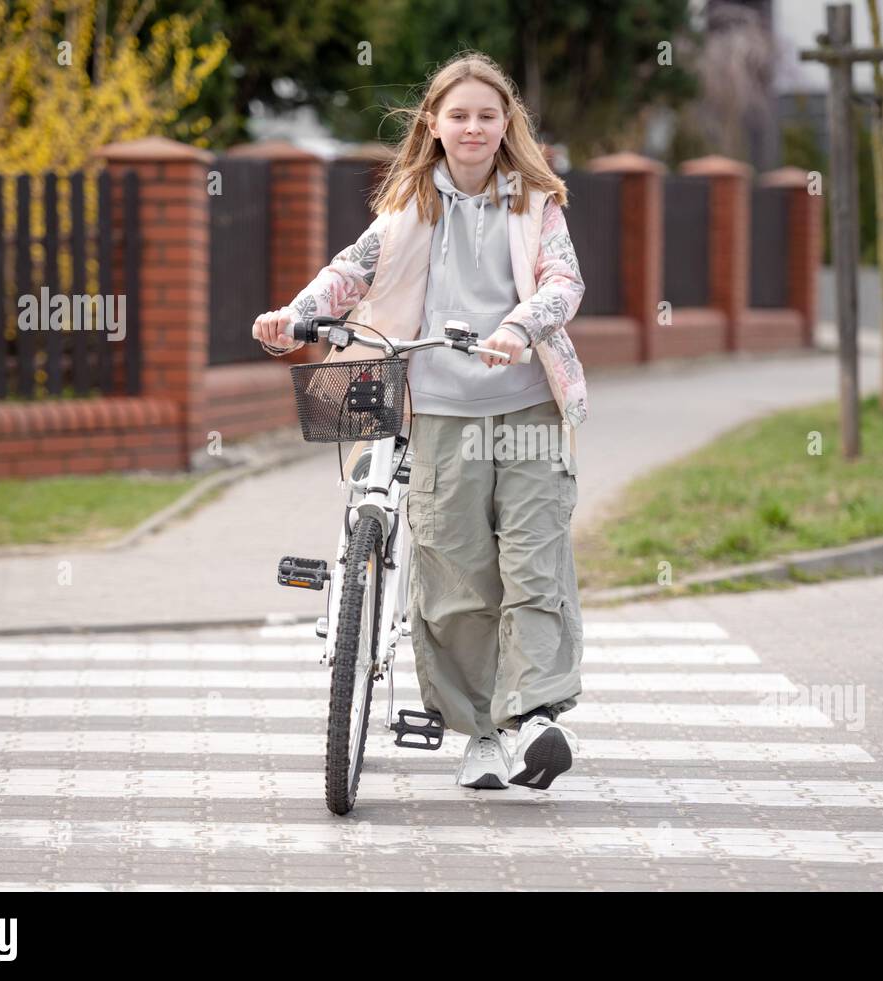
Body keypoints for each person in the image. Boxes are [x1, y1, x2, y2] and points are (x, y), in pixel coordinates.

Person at [253, 51, 588, 793]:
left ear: (508, 126)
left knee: (533, 565)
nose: (473, 127)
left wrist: (520, 325)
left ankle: (534, 718)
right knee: (456, 582)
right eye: (459, 115)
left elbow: (564, 281)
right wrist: (298, 313)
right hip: (438, 414)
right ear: (433, 124)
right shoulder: (410, 203)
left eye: (487, 115)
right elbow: (353, 269)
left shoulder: (535, 201)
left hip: (527, 408)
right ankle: (483, 736)